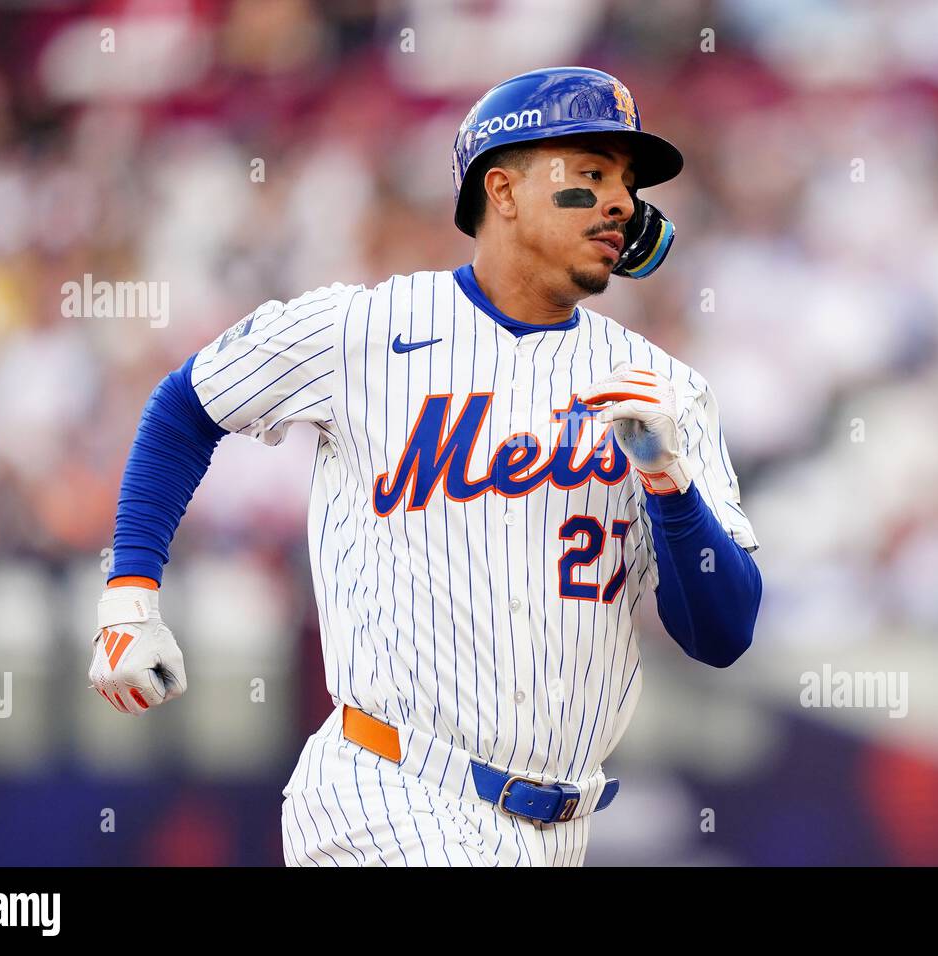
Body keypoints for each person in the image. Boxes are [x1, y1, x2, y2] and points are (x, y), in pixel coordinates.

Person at [88, 66, 762, 867]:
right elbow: (184, 407)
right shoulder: (362, 330)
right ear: (503, 191)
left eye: (626, 182)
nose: (620, 201)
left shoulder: (667, 393)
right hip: (386, 787)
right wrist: (131, 594)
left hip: (561, 827)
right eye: (590, 173)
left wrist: (668, 483)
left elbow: (723, 633)